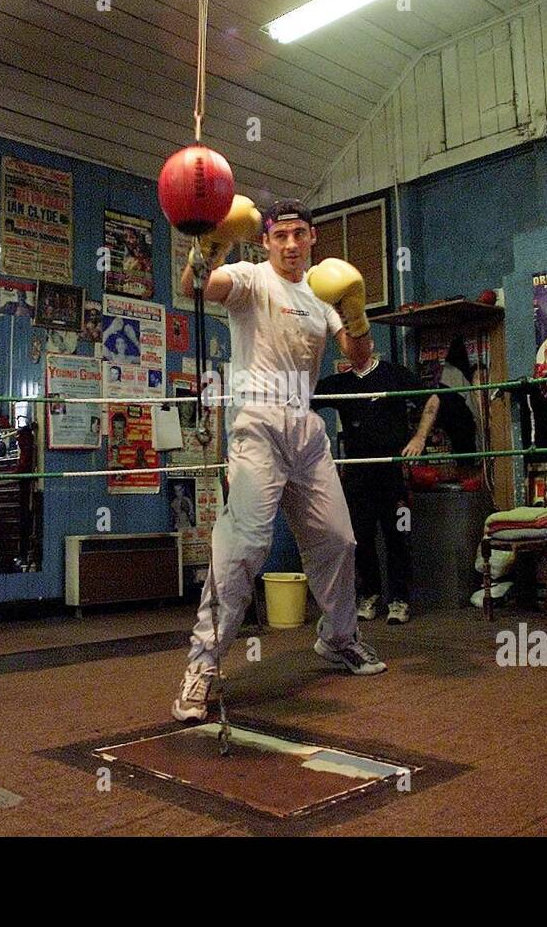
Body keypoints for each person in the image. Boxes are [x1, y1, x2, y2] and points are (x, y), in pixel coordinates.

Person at [172, 197, 385, 723]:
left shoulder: (324, 293)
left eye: (299, 234)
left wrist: (355, 308)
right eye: (280, 235)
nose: (291, 244)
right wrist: (211, 241)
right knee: (243, 545)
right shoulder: (249, 277)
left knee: (338, 539)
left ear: (313, 239)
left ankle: (338, 639)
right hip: (258, 426)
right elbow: (193, 286)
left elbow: (361, 362)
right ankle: (202, 666)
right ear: (265, 240)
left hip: (307, 431)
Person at [315, 351, 440, 624]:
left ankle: (399, 599)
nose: (354, 345)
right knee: (359, 536)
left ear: (369, 343)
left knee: (398, 534)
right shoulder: (340, 383)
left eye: (360, 338)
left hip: (393, 470)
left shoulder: (394, 374)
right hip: (358, 472)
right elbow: (302, 401)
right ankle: (369, 594)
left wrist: (419, 438)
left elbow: (431, 398)